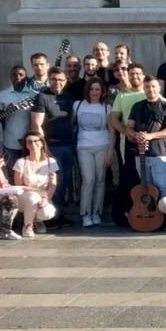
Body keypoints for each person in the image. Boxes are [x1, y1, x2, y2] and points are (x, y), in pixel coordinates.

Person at [29, 67, 76, 227]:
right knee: (55, 182)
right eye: (55, 79)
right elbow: (36, 125)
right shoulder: (42, 97)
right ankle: (49, 217)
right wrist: (45, 148)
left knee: (66, 182)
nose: (58, 83)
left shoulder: (68, 97)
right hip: (52, 147)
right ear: (49, 79)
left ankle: (59, 214)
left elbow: (71, 121)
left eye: (61, 80)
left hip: (68, 145)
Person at [125, 77, 166, 217]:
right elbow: (128, 127)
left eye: (153, 86)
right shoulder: (137, 106)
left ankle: (164, 217)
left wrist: (150, 136)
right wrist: (136, 135)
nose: (150, 89)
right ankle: (149, 217)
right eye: (147, 86)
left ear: (158, 88)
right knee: (145, 188)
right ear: (144, 88)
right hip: (140, 154)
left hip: (159, 153)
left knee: (161, 186)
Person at [73, 78, 113, 228]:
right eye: (92, 89)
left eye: (97, 89)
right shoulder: (78, 105)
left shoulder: (106, 108)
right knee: (88, 179)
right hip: (83, 146)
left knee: (100, 179)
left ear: (102, 91)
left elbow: (111, 131)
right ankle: (85, 213)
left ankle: (97, 212)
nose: (94, 92)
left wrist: (110, 151)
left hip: (102, 145)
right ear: (87, 90)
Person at [12, 131, 60, 238]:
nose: (33, 144)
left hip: (43, 196)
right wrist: (38, 191)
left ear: (42, 143)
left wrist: (46, 199)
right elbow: (18, 186)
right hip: (25, 196)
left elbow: (53, 184)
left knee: (47, 213)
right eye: (29, 142)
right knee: (32, 197)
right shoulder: (21, 162)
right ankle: (27, 226)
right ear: (26, 145)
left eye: (36, 141)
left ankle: (37, 221)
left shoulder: (50, 162)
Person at [0, 65, 37, 180]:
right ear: (10, 77)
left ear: (26, 77)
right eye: (14, 75)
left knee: (30, 176)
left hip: (29, 143)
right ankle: (14, 198)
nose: (17, 77)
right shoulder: (3, 95)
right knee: (13, 175)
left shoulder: (33, 95)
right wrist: (6, 112)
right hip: (10, 143)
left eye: (21, 75)